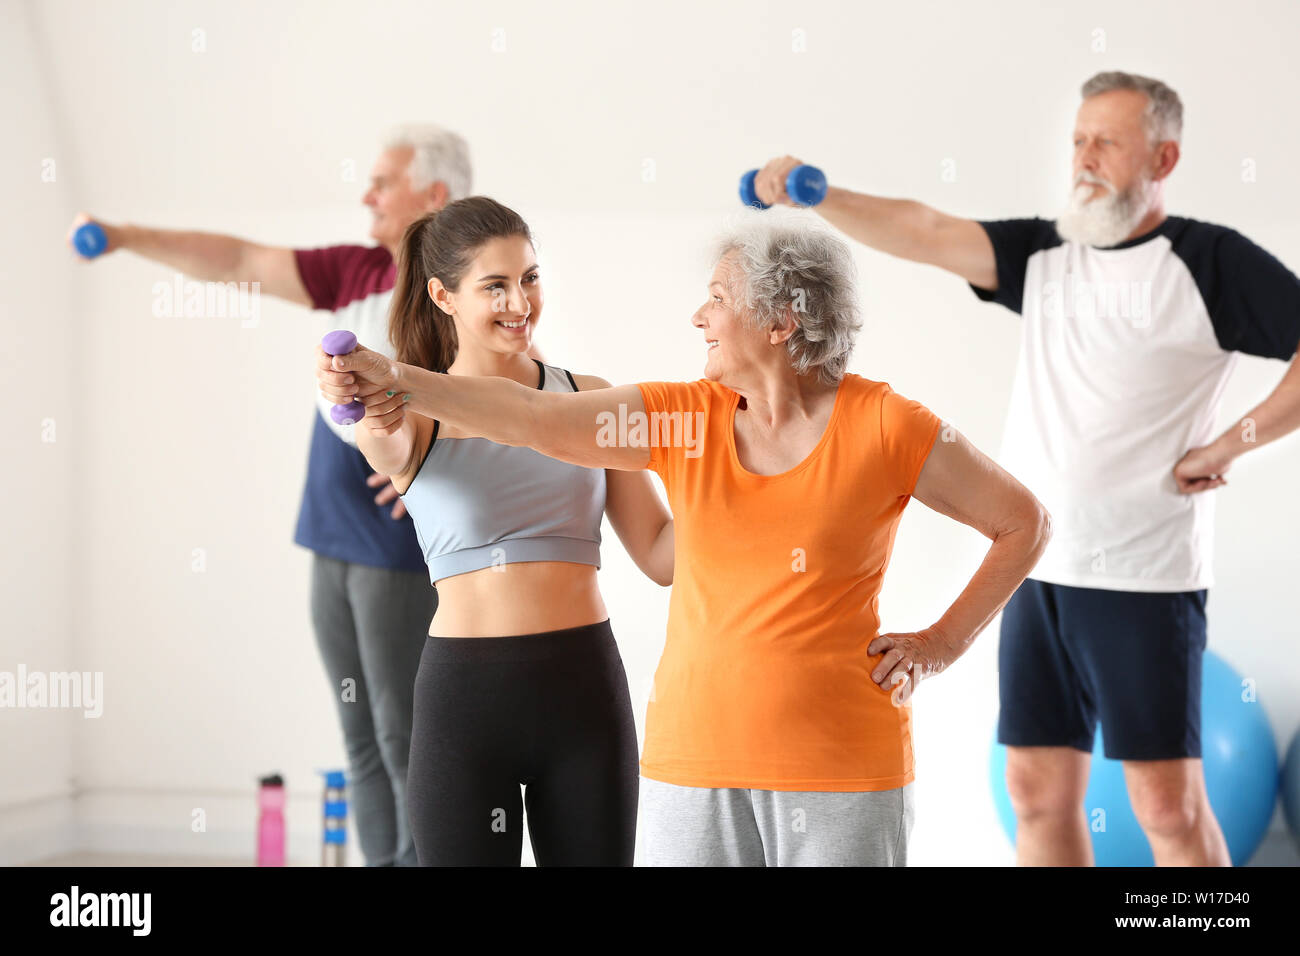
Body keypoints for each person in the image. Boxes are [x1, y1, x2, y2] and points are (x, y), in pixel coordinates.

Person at [317, 209, 1051, 866]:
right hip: (681, 757)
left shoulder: (887, 424)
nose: (698, 316)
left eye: (719, 299)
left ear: (781, 320)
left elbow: (1024, 523)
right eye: (495, 285)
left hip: (835, 760)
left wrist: (941, 645)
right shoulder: (679, 419)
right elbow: (535, 417)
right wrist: (394, 383)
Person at [752, 70, 1300, 866]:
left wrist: (1232, 443)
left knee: (1167, 809)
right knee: (1036, 793)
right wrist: (819, 195)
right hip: (1037, 574)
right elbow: (927, 228)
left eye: (1107, 141)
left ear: (1164, 157)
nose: (1085, 156)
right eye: (1078, 139)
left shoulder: (1208, 262)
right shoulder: (1044, 254)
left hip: (1144, 580)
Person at [66, 124, 531, 866]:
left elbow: (521, 393)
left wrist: (450, 469)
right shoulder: (356, 272)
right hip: (330, 535)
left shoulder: (465, 293)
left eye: (385, 181)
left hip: (395, 550)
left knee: (400, 734)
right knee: (360, 740)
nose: (367, 194)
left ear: (434, 195)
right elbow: (240, 261)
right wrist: (123, 233)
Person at [342, 196, 672, 865]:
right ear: (443, 295)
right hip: (466, 707)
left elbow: (664, 555)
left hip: (583, 693)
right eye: (495, 285)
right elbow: (377, 427)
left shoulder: (588, 397)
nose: (520, 302)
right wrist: (353, 380)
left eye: (529, 278)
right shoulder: (409, 418)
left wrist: (752, 486)